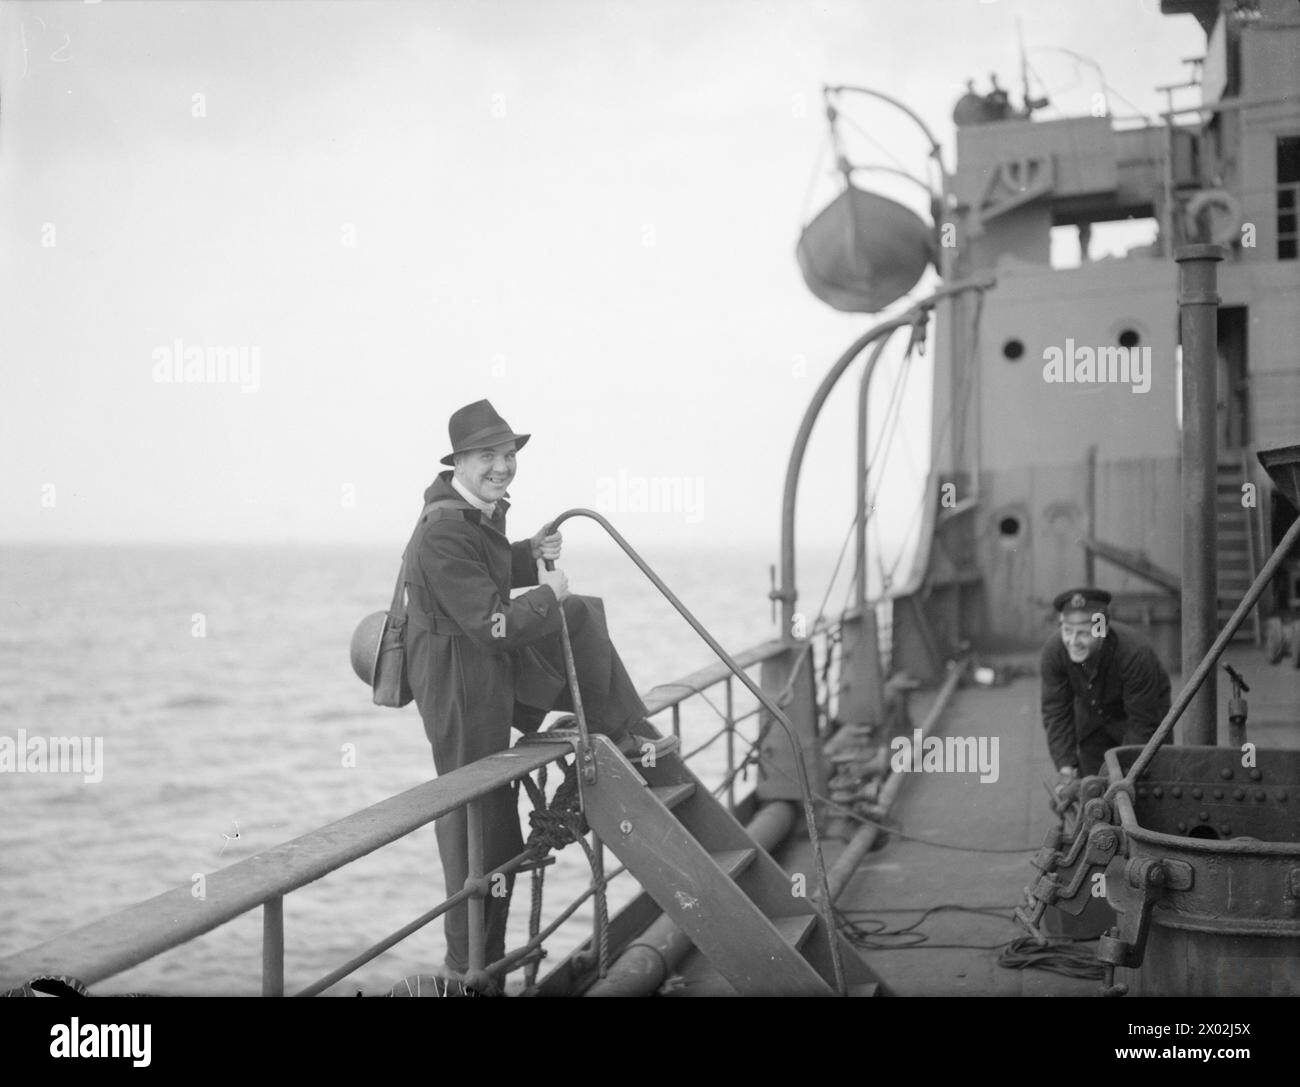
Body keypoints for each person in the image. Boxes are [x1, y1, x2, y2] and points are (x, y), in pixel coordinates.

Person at [402, 398, 668, 981]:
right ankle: (470, 969)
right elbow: (492, 624)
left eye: (506, 454)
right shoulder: (444, 532)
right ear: (459, 463)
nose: (501, 466)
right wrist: (549, 594)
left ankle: (624, 726)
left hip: (479, 660)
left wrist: (530, 554)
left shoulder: (474, 511)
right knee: (482, 822)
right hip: (458, 682)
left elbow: (486, 574)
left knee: (579, 614)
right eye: (486, 456)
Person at [1040, 587, 1171, 788]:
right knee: (1090, 791)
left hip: (1142, 723)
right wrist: (1066, 767)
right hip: (1093, 725)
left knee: (1144, 791)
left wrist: (1117, 779)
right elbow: (1056, 711)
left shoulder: (1135, 654)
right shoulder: (1054, 651)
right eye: (1067, 631)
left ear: (1102, 629)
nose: (1073, 642)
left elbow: (1143, 724)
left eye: (1083, 633)